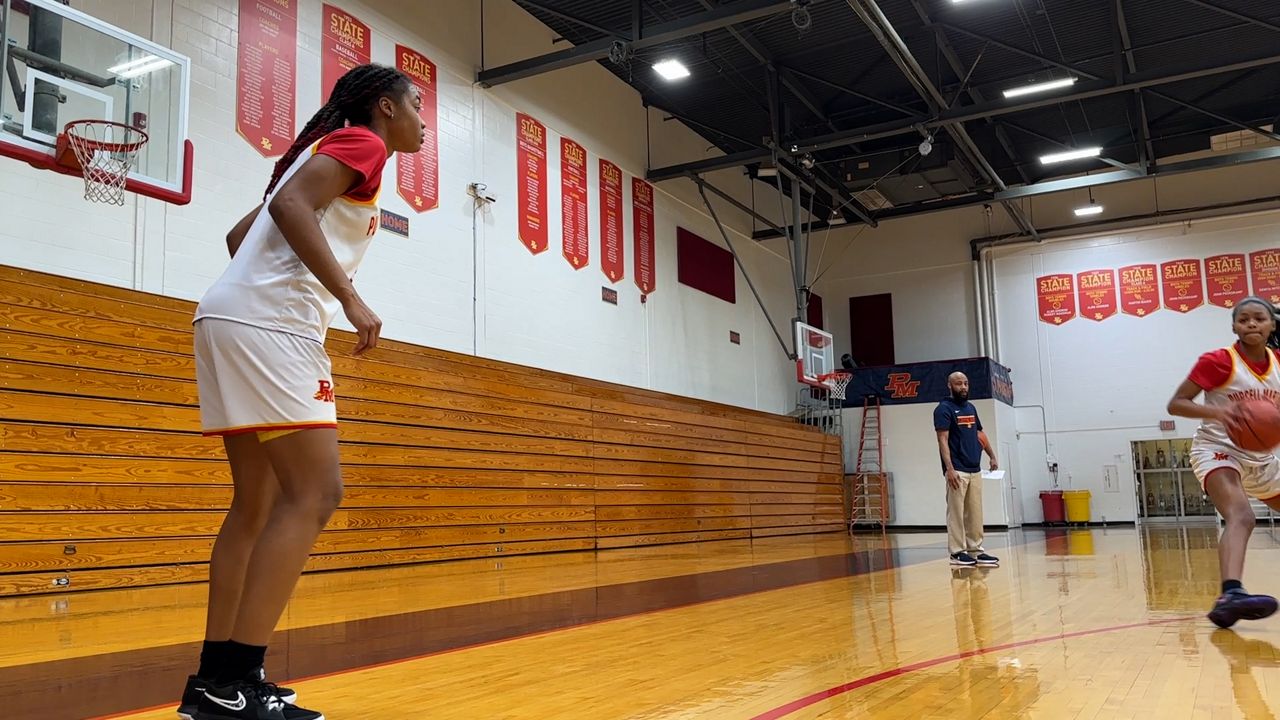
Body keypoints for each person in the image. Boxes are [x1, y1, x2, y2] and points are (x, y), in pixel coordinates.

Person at [176, 63, 425, 720]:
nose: (424, 122)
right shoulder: (363, 144)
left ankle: (216, 683)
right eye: (417, 105)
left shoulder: (315, 157)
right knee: (317, 492)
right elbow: (288, 210)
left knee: (255, 504)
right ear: (385, 107)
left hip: (225, 318)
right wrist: (349, 297)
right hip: (272, 326)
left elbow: (241, 237)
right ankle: (237, 679)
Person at [1167, 296, 1280, 629]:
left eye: (1259, 318)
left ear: (1272, 324)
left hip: (1261, 457)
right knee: (1242, 515)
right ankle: (1231, 594)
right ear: (1234, 327)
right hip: (1218, 449)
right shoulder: (1218, 361)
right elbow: (1176, 404)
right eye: (1243, 319)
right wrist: (1219, 412)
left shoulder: (1278, 363)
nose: (1251, 323)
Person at [934, 371, 1000, 567]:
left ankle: (976, 550)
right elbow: (942, 440)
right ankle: (957, 552)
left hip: (975, 469)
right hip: (957, 470)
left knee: (975, 512)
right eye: (958, 384)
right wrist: (950, 469)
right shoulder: (943, 409)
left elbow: (980, 434)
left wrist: (992, 455)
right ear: (950, 385)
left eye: (965, 383)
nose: (963, 387)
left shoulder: (971, 407)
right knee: (956, 513)